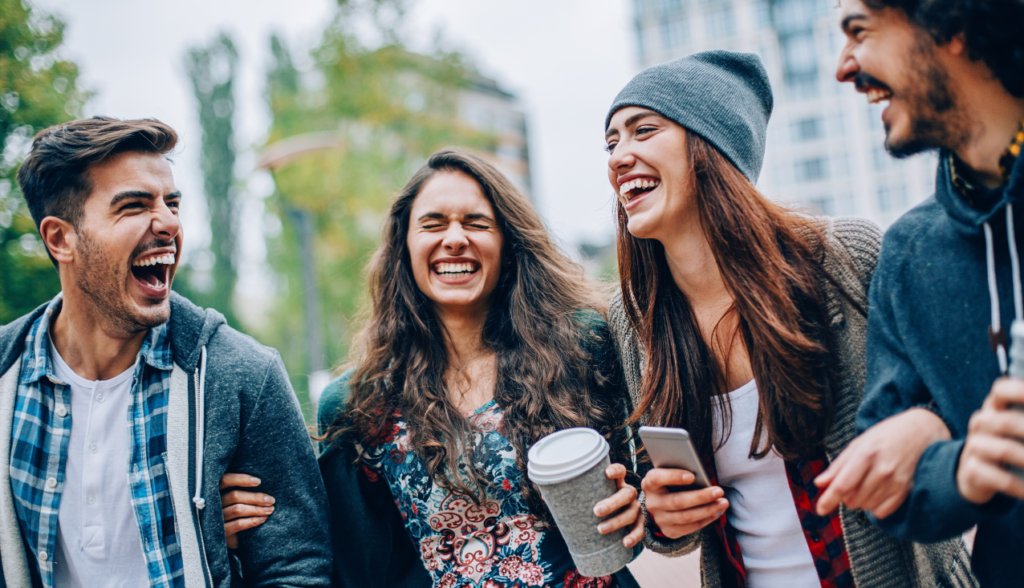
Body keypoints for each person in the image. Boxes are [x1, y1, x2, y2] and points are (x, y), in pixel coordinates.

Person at [603, 51, 974, 587]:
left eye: (643, 131)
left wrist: (929, 427)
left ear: (711, 146)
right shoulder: (634, 315)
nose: (619, 156)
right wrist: (663, 516)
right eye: (611, 142)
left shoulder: (844, 257)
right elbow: (672, 514)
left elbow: (953, 398)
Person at [224, 148, 644, 587]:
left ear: (508, 242)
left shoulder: (580, 347)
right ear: (404, 247)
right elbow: (339, 563)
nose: (455, 238)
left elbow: (649, 479)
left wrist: (641, 507)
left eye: (477, 223)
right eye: (433, 224)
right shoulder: (360, 406)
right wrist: (235, 533)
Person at [0, 117, 331, 587]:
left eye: (172, 203)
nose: (169, 223)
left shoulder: (242, 376)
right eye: (134, 207)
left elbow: (298, 567)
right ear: (60, 239)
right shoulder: (5, 378)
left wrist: (205, 534)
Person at [815, 0, 1024, 585]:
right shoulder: (909, 253)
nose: (843, 67)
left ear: (951, 22)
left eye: (859, 31)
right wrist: (958, 466)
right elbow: (891, 483)